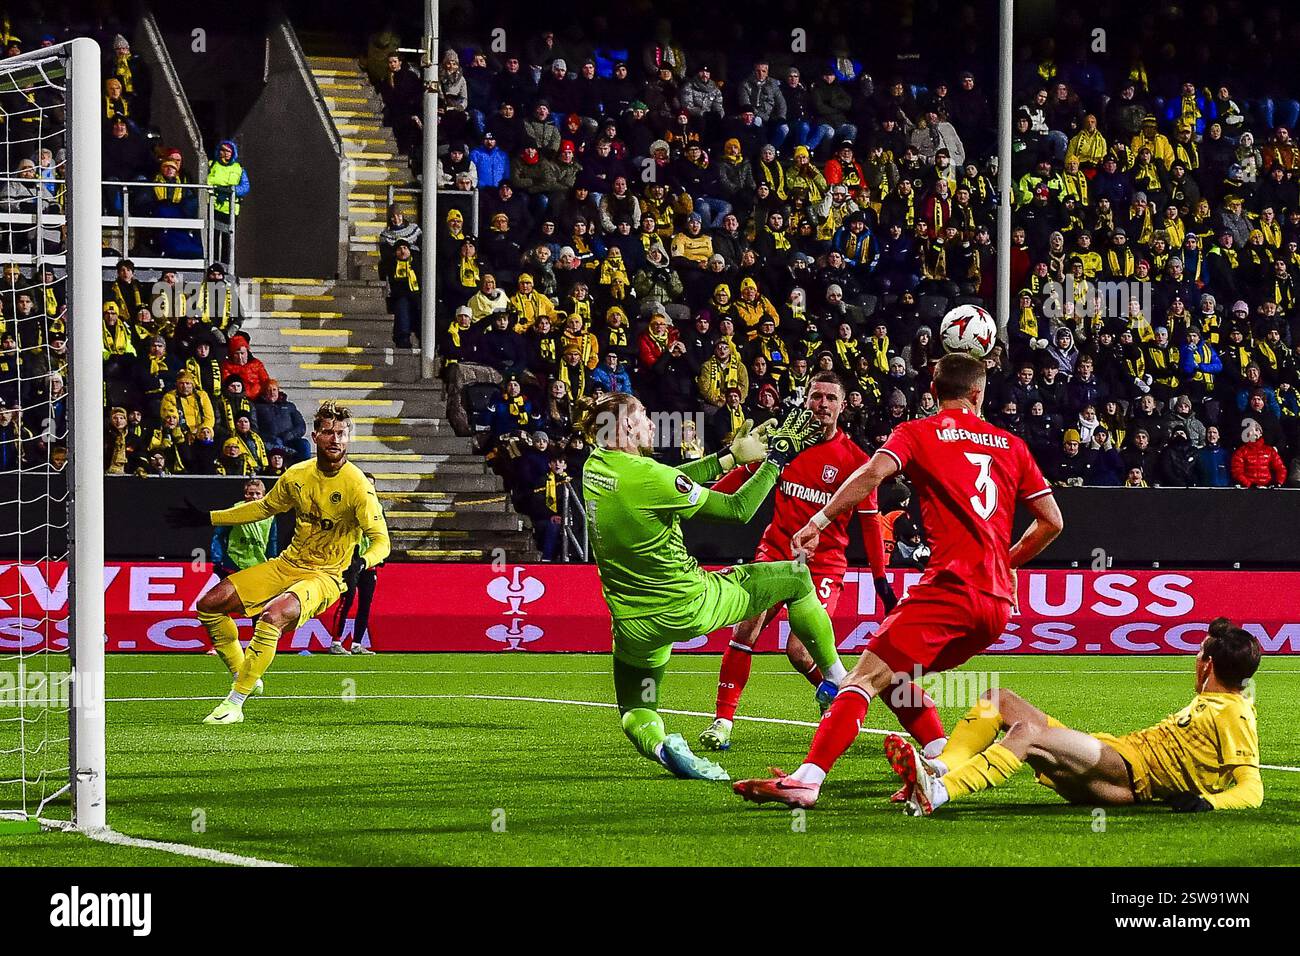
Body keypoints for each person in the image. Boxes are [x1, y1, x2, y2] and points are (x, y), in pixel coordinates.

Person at [734, 353, 1063, 807]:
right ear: (977, 393)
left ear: (932, 392)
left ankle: (808, 779)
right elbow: (1051, 521)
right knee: (894, 673)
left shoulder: (917, 432)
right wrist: (1006, 561)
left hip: (949, 589)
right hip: (997, 606)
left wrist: (821, 517)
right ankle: (938, 757)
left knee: (862, 677)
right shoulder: (1013, 445)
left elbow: (872, 473)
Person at [699, 372, 947, 768]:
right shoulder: (785, 445)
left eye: (831, 398)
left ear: (843, 405)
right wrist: (703, 494)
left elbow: (869, 522)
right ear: (806, 399)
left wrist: (881, 580)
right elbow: (735, 483)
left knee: (798, 651)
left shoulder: (856, 461)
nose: (822, 405)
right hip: (776, 553)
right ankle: (723, 722)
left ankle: (834, 688)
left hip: (823, 565)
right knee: (746, 628)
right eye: (816, 396)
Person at [580, 392, 829, 781]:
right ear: (626, 426)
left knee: (636, 707)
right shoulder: (648, 477)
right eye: (644, 415)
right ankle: (835, 679)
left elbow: (670, 482)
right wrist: (777, 459)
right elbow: (738, 510)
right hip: (690, 604)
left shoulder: (594, 467)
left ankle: (663, 749)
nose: (650, 423)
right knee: (796, 578)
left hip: (633, 624)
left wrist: (729, 458)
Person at [166, 401, 390, 724]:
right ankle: (248, 673)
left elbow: (382, 541)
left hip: (327, 575)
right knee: (209, 605)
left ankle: (235, 702)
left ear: (349, 438)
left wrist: (362, 562)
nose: (336, 440)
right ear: (315, 436)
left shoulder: (358, 486)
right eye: (329, 432)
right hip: (287, 564)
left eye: (342, 433)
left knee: (273, 616)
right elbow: (262, 508)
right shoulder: (297, 476)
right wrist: (208, 518)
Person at [895, 618, 1262, 815]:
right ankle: (941, 768)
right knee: (998, 699)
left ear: (1208, 664)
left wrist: (1211, 802)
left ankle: (940, 791)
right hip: (1115, 758)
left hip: (1126, 771)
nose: (1194, 661)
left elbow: (1252, 790)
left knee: (1027, 732)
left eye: (1198, 654)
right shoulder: (1216, 704)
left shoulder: (1236, 712)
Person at [330, 472, 384, 656]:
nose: (369, 489)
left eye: (372, 485)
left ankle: (357, 644)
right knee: (347, 600)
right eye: (366, 485)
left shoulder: (378, 509)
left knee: (365, 604)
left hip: (369, 563)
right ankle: (336, 641)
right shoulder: (351, 507)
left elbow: (382, 536)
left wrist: (378, 557)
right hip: (351, 562)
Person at [210, 479, 281, 578]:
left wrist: (272, 561)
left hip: (258, 563)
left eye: (258, 493)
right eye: (251, 493)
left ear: (263, 495)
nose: (254, 497)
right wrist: (218, 559)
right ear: (245, 495)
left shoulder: (270, 516)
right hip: (234, 563)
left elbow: (272, 540)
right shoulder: (235, 510)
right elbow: (219, 534)